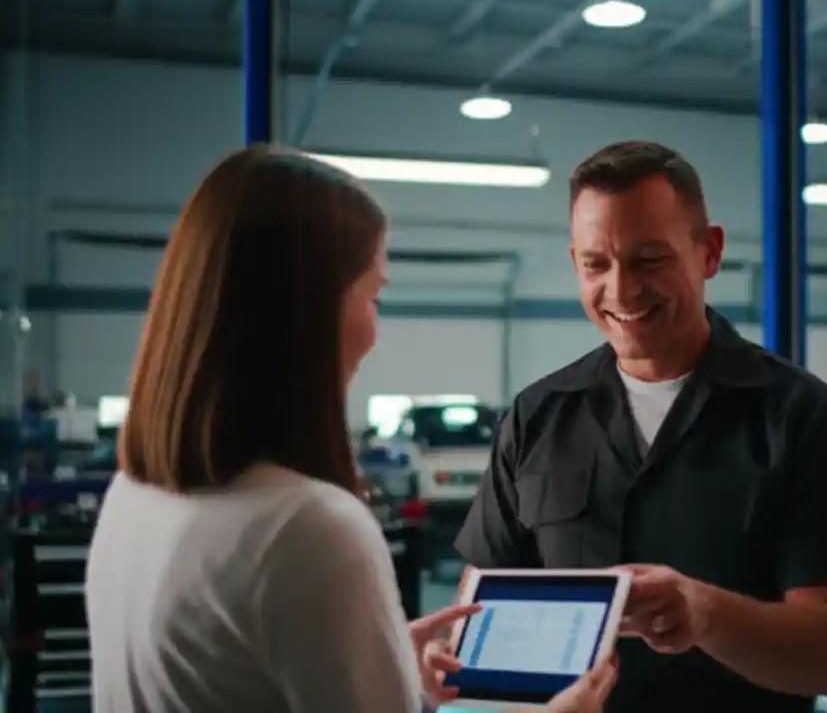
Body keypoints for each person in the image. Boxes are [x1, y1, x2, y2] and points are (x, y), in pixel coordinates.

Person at [85, 145, 617, 713]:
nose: (373, 329)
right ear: (307, 312)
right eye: (373, 295)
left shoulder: (135, 494)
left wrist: (383, 670)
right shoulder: (308, 529)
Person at [449, 140, 827, 712]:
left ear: (709, 252)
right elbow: (481, 600)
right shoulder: (538, 417)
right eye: (596, 265)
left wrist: (706, 614)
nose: (622, 291)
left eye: (648, 260)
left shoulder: (799, 416)